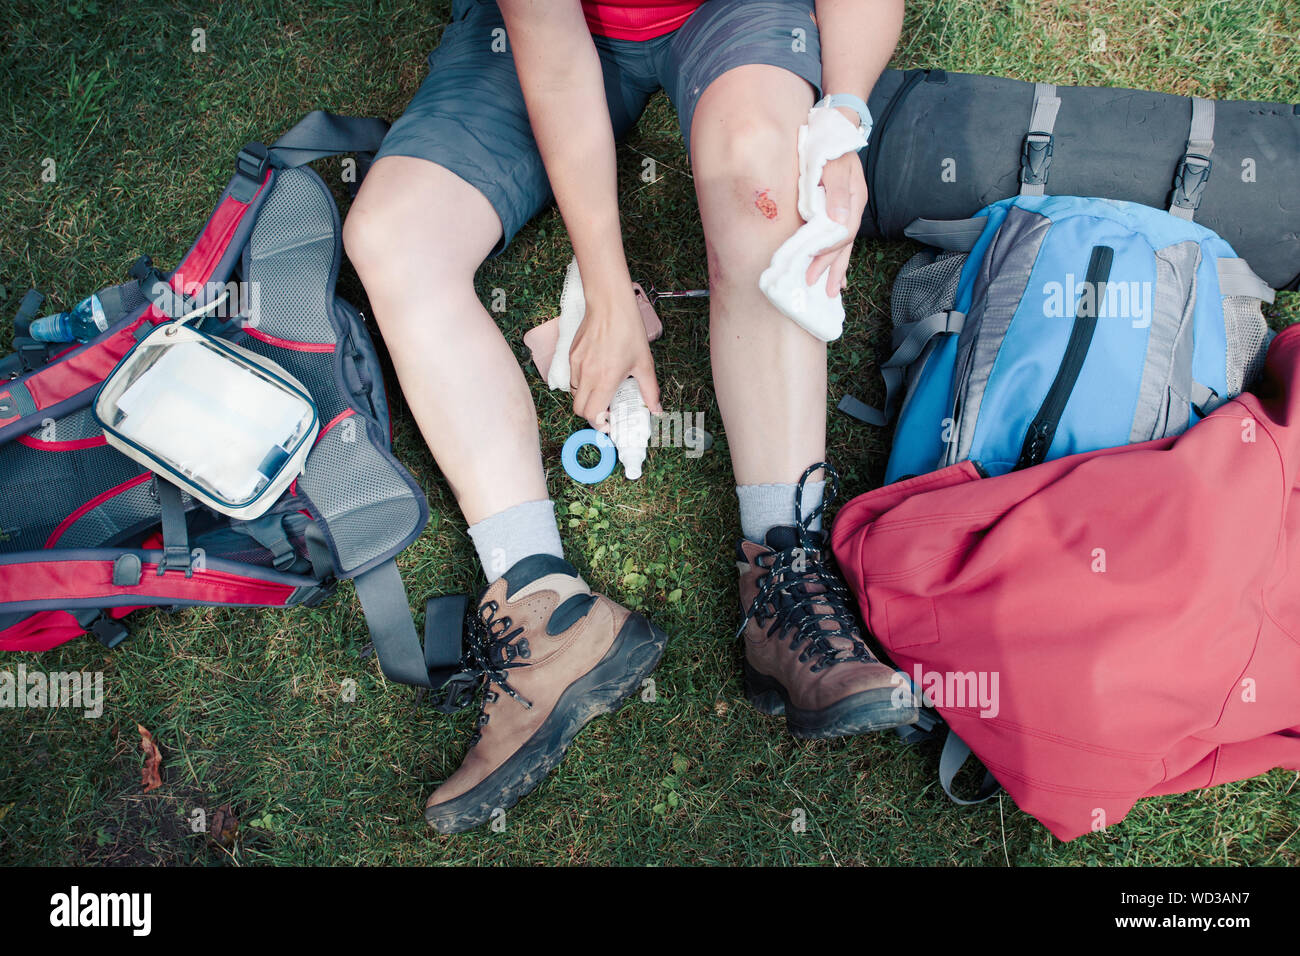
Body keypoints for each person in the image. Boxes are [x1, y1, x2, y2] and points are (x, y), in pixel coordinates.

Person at [344, 0, 913, 834]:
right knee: (394, 236)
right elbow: (553, 45)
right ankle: (545, 610)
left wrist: (844, 115)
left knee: (763, 175)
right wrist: (604, 289)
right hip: (547, 32)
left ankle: (782, 567)